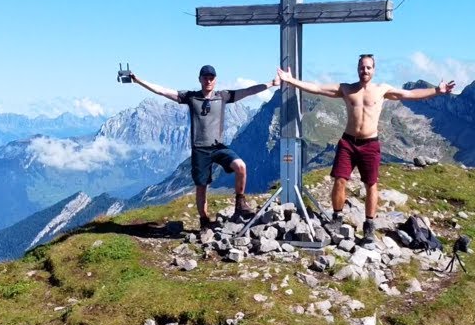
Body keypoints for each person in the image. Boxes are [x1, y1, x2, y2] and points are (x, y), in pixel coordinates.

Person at [276, 55, 454, 243]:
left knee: (371, 185)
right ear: (357, 69)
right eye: (362, 67)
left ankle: (369, 226)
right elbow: (318, 88)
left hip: (370, 144)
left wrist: (437, 90)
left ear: (374, 70)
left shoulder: (382, 90)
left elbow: (409, 95)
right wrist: (291, 80)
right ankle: (337, 218)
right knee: (339, 180)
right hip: (348, 142)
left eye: (368, 67)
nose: (365, 71)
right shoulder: (346, 89)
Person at [128, 65, 277, 227]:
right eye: (205, 77)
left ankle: (240, 204)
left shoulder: (223, 96)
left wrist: (271, 83)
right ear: (200, 79)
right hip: (200, 149)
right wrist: (138, 80)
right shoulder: (191, 97)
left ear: (215, 80)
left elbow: (249, 91)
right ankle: (204, 221)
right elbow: (162, 91)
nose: (208, 80)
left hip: (218, 146)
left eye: (211, 78)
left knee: (241, 166)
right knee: (201, 188)